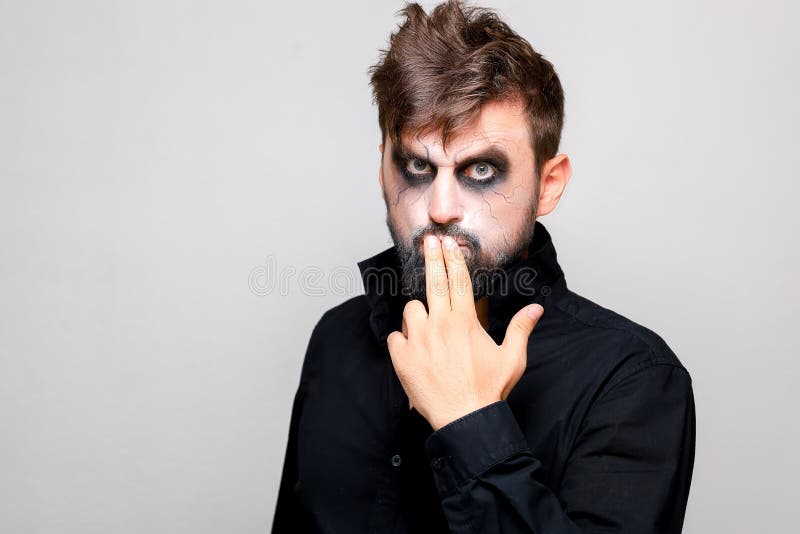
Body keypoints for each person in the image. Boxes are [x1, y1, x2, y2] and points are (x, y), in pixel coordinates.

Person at [272, 1, 695, 532]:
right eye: (418, 166)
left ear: (548, 185)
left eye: (480, 169)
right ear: (383, 169)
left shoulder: (632, 380)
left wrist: (468, 420)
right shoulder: (337, 339)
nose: (440, 208)